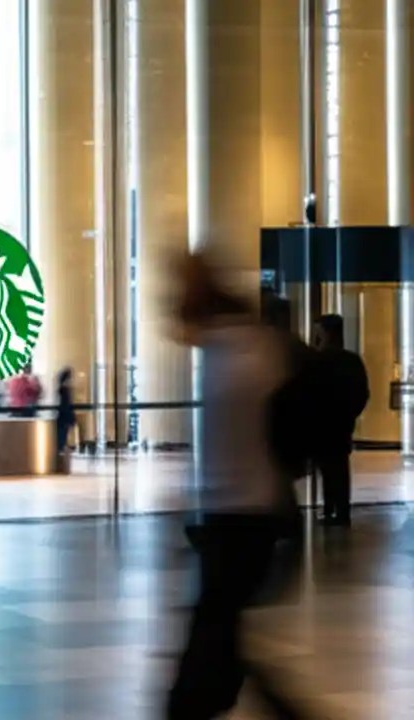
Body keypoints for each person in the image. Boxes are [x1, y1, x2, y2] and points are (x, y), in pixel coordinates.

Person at [166, 253, 303, 720]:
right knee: (222, 641)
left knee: (213, 641)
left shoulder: (244, 351)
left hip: (246, 521)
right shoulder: (236, 348)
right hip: (234, 519)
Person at [311, 314, 368, 527]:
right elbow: (362, 393)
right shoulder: (352, 362)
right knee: (339, 468)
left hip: (324, 424)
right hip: (342, 424)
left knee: (327, 468)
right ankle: (341, 511)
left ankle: (329, 510)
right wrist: (350, 414)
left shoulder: (318, 362)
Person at [55, 367, 76, 457]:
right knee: (63, 433)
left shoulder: (61, 389)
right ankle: (62, 448)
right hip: (64, 415)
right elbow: (66, 405)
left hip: (62, 415)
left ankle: (62, 447)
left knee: (63, 433)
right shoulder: (64, 390)